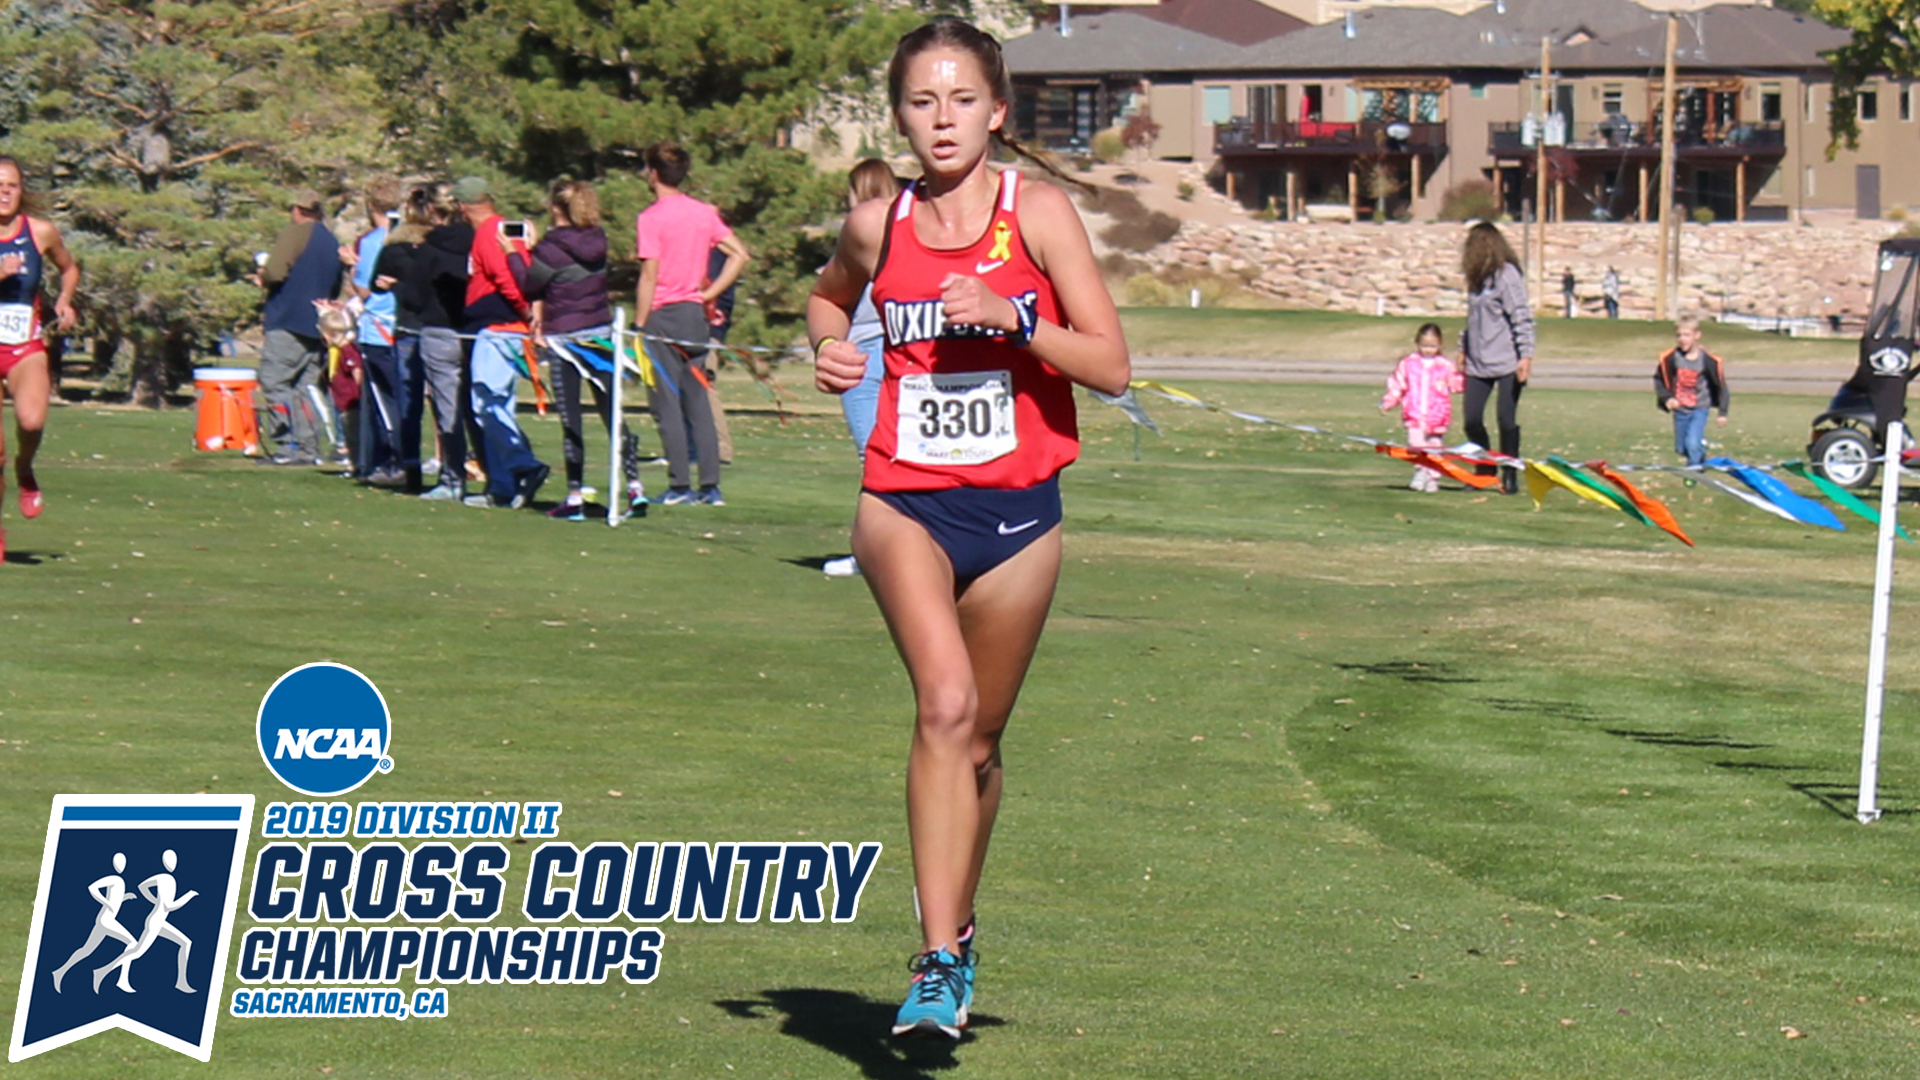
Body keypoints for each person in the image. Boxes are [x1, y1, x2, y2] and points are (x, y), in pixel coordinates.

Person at [806, 17, 1130, 1040]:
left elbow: (1112, 365)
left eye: (959, 100)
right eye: (919, 101)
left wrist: (1014, 317)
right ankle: (937, 958)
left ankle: (961, 922)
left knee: (981, 746)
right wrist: (829, 349)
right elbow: (825, 300)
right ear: (898, 113)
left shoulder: (1038, 215)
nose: (939, 120)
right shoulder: (877, 223)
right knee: (942, 707)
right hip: (902, 500)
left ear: (996, 111)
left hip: (1021, 516)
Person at [635, 143, 749, 506]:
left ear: (653, 173)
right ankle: (710, 487)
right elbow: (740, 254)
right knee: (698, 401)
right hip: (694, 316)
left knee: (668, 402)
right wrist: (708, 293)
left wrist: (638, 325)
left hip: (664, 316)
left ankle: (680, 485)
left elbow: (649, 276)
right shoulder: (702, 213)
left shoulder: (650, 218)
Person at [524, 178, 645, 520]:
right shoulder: (598, 239)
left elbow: (529, 283)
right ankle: (635, 486)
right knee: (612, 412)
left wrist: (520, 253)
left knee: (571, 418)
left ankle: (575, 494)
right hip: (600, 332)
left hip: (565, 339)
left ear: (556, 208)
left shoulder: (550, 247)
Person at [823, 158, 903, 580]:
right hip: (895, 349)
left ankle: (874, 552)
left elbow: (834, 295)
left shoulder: (863, 232)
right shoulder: (910, 224)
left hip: (868, 350)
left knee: (873, 455)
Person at [0, 155, 79, 559]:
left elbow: (68, 268)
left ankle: (25, 468)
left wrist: (64, 302)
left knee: (31, 421)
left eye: (11, 185)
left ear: (21, 190)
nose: (4, 192)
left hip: (23, 346)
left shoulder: (40, 232)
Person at [455, 176, 549, 509]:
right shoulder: (504, 229)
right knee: (498, 403)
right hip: (508, 328)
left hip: (499, 327)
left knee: (486, 404)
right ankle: (501, 486)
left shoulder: (487, 233)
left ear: (463, 206)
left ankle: (525, 464)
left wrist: (527, 313)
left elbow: (509, 280)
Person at [256, 188, 343, 465]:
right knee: (306, 387)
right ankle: (308, 447)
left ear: (296, 210)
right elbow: (336, 284)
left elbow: (275, 271)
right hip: (317, 322)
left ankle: (288, 444)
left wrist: (263, 276)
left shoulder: (295, 233)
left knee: (275, 381)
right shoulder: (330, 241)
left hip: (288, 319)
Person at [1457, 221, 1534, 495]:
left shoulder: (1507, 275)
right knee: (1472, 419)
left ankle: (1510, 472)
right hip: (1478, 363)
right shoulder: (1476, 282)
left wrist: (1525, 355)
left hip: (1507, 362)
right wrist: (1463, 348)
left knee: (1506, 419)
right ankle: (1484, 469)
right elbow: (1471, 320)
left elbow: (1521, 316)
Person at [343, 177, 405, 484]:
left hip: (378, 328)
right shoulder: (408, 236)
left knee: (382, 400)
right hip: (404, 327)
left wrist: (350, 268)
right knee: (402, 398)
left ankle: (389, 462)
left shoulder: (372, 242)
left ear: (371, 206)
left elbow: (365, 292)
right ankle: (400, 460)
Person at [1381, 322, 1461, 493]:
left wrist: (1464, 373)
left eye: (1432, 346)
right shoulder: (1409, 363)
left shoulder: (1444, 365)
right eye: (1424, 345)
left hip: (1437, 414)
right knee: (1415, 444)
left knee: (1434, 446)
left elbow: (1456, 384)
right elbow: (1397, 384)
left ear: (1439, 345)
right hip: (1414, 413)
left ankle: (1432, 477)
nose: (1428, 349)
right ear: (1417, 343)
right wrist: (1389, 401)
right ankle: (1420, 471)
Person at [1654, 315, 1729, 472]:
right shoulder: (1671, 358)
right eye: (1679, 335)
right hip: (1680, 409)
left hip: (1700, 408)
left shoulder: (1708, 361)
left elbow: (1721, 386)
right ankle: (1700, 453)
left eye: (1686, 335)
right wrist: (1667, 398)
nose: (1682, 339)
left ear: (1697, 335)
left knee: (1692, 444)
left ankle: (1693, 474)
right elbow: (1659, 380)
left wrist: (1722, 412)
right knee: (1681, 449)